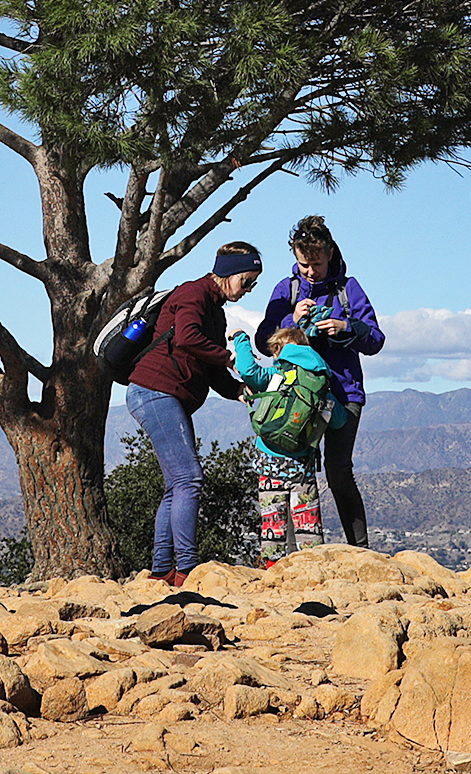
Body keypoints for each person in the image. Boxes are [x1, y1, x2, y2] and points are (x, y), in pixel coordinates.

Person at [127, 243, 263, 586]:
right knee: (189, 479)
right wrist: (228, 356)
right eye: (247, 281)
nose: (249, 289)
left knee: (177, 485)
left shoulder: (214, 310)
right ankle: (187, 569)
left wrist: (237, 389)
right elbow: (188, 338)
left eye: (253, 284)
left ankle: (162, 571)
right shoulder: (193, 293)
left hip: (164, 395)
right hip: (155, 391)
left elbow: (210, 365)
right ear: (229, 273)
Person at [257, 216, 383, 547]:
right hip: (296, 397)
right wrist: (292, 319)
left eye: (317, 264)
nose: (310, 272)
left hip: (344, 395)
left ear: (330, 254)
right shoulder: (286, 290)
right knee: (294, 474)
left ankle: (360, 549)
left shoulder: (348, 289)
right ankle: (294, 553)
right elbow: (263, 340)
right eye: (304, 265)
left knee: (338, 472)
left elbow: (375, 340)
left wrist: (346, 327)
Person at [232, 323, 350, 565]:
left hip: (269, 460)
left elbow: (247, 370)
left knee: (273, 520)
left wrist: (240, 337)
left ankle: (272, 566)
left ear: (278, 350)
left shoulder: (277, 375)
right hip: (302, 464)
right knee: (307, 524)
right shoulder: (320, 382)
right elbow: (339, 420)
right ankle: (313, 567)